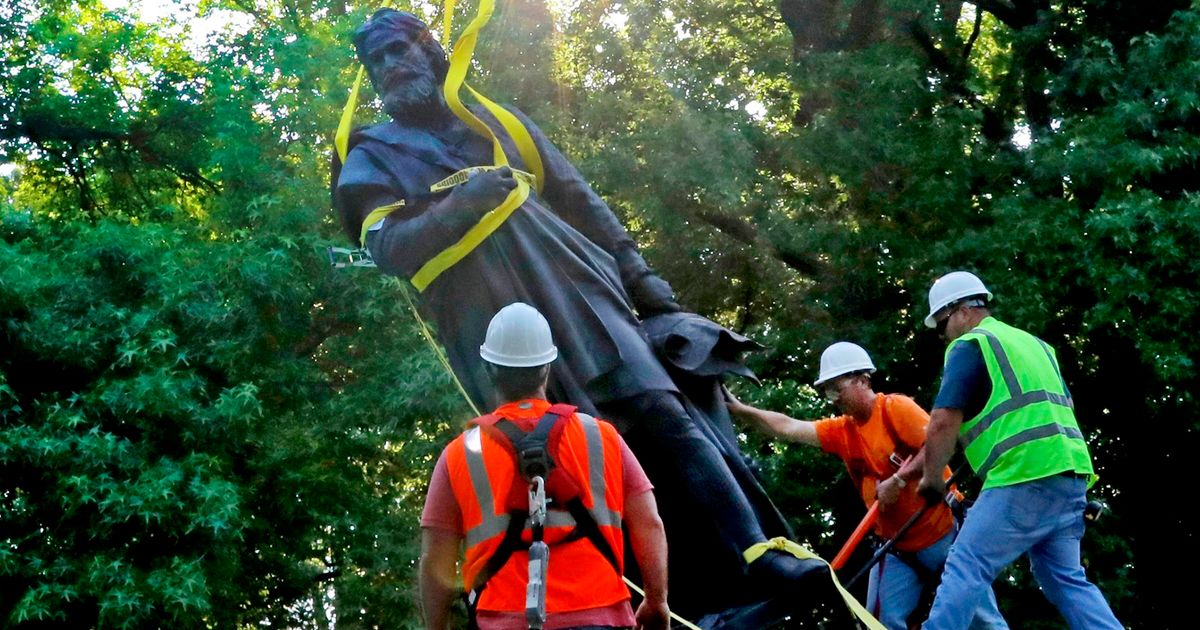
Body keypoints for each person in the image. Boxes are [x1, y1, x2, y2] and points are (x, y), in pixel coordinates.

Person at [335, 8, 825, 618]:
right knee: (582, 457)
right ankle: (674, 605)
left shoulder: (503, 125)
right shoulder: (371, 156)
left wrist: (654, 296)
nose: (391, 67)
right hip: (497, 322)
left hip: (579, 290)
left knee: (661, 408)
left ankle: (757, 552)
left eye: (400, 49)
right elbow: (387, 249)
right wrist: (467, 203)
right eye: (376, 61)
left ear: (433, 51)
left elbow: (586, 208)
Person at [419, 302, 669, 630]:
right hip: (602, 617)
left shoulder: (460, 453)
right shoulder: (602, 436)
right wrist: (655, 599)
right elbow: (649, 523)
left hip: (503, 622)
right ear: (548, 366)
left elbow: (434, 559)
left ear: (489, 368)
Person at [727, 342, 1007, 630]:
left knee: (982, 619)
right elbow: (788, 427)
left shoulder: (894, 409)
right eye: (828, 391)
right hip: (897, 548)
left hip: (943, 534)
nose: (833, 398)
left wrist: (898, 480)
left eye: (837, 388)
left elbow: (938, 446)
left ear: (863, 380)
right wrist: (740, 410)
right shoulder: (842, 431)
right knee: (877, 623)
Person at [916, 271, 1122, 630]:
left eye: (942, 323)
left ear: (962, 310)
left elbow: (943, 421)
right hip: (1070, 477)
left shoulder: (971, 344)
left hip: (1023, 475)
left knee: (967, 563)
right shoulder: (1037, 346)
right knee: (1065, 580)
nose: (943, 334)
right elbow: (1061, 405)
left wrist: (932, 479)